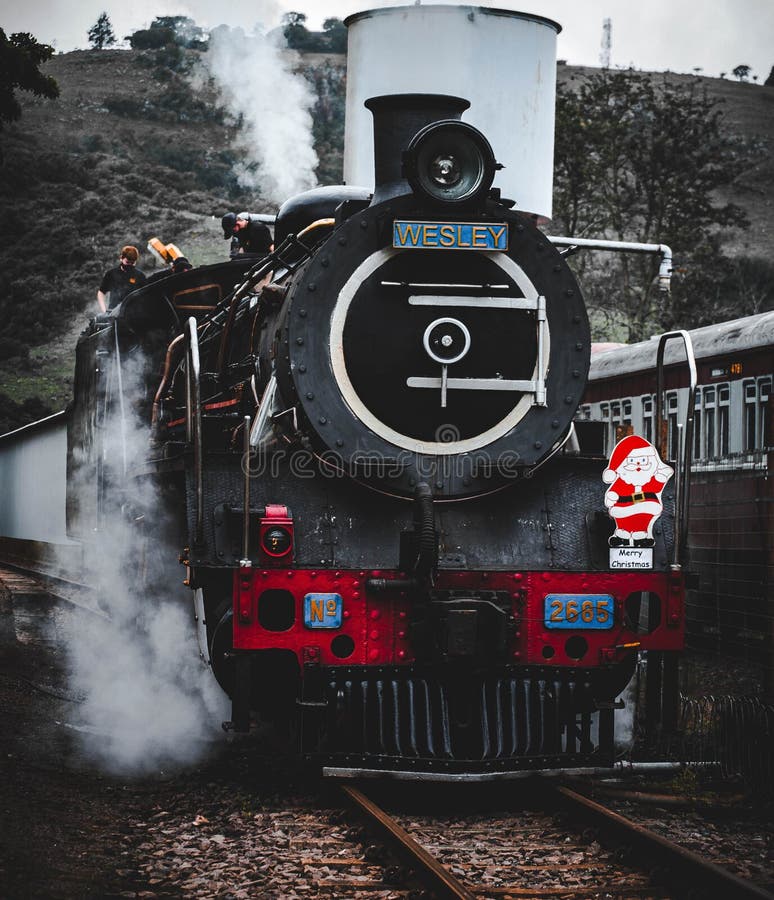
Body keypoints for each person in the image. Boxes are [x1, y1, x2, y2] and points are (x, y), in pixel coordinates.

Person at [603, 435, 673, 548]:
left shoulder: (648, 479)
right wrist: (612, 496)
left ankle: (641, 537)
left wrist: (661, 477)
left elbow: (655, 486)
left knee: (642, 521)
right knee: (624, 521)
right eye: (632, 461)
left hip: (645, 503)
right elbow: (615, 490)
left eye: (643, 460)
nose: (638, 465)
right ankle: (622, 537)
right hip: (623, 504)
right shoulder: (622, 480)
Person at [97, 245, 147, 312]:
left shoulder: (140, 276)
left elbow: (146, 297)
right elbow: (101, 292)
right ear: (121, 258)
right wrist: (104, 311)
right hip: (113, 313)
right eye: (127, 262)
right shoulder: (111, 274)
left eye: (132, 263)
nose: (129, 265)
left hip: (134, 314)